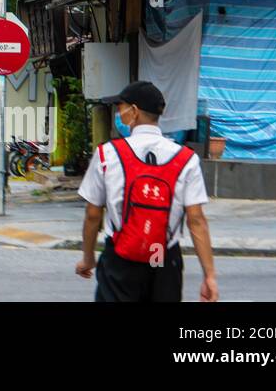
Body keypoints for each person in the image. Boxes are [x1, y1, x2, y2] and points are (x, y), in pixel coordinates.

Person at [75, 82, 217, 303]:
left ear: (134, 111)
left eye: (121, 108)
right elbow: (196, 220)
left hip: (120, 258)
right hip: (160, 254)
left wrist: (87, 258)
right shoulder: (186, 159)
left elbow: (93, 215)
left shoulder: (107, 154)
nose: (119, 113)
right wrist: (209, 276)